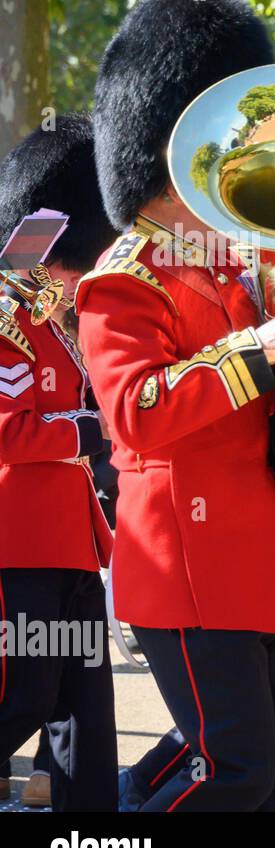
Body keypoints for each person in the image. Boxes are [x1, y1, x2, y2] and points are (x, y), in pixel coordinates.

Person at [76, 0, 275, 811]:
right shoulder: (122, 283)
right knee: (238, 774)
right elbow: (138, 414)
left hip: (262, 558)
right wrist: (254, 351)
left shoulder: (242, 274)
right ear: (172, 160)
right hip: (187, 564)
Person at [0, 116, 118, 811]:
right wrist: (85, 430)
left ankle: (92, 844)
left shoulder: (57, 327)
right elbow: (10, 430)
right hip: (20, 542)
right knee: (24, 695)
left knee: (85, 721)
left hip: (75, 545)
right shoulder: (7, 320)